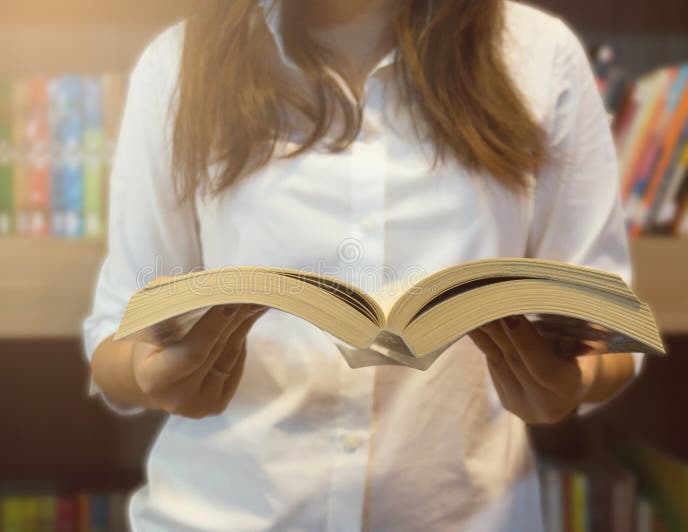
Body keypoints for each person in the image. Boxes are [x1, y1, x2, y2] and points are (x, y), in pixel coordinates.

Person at [83, 0, 644, 529]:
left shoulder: (539, 57)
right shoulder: (179, 66)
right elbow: (116, 333)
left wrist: (575, 380)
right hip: (225, 514)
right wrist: (150, 375)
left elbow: (608, 328)